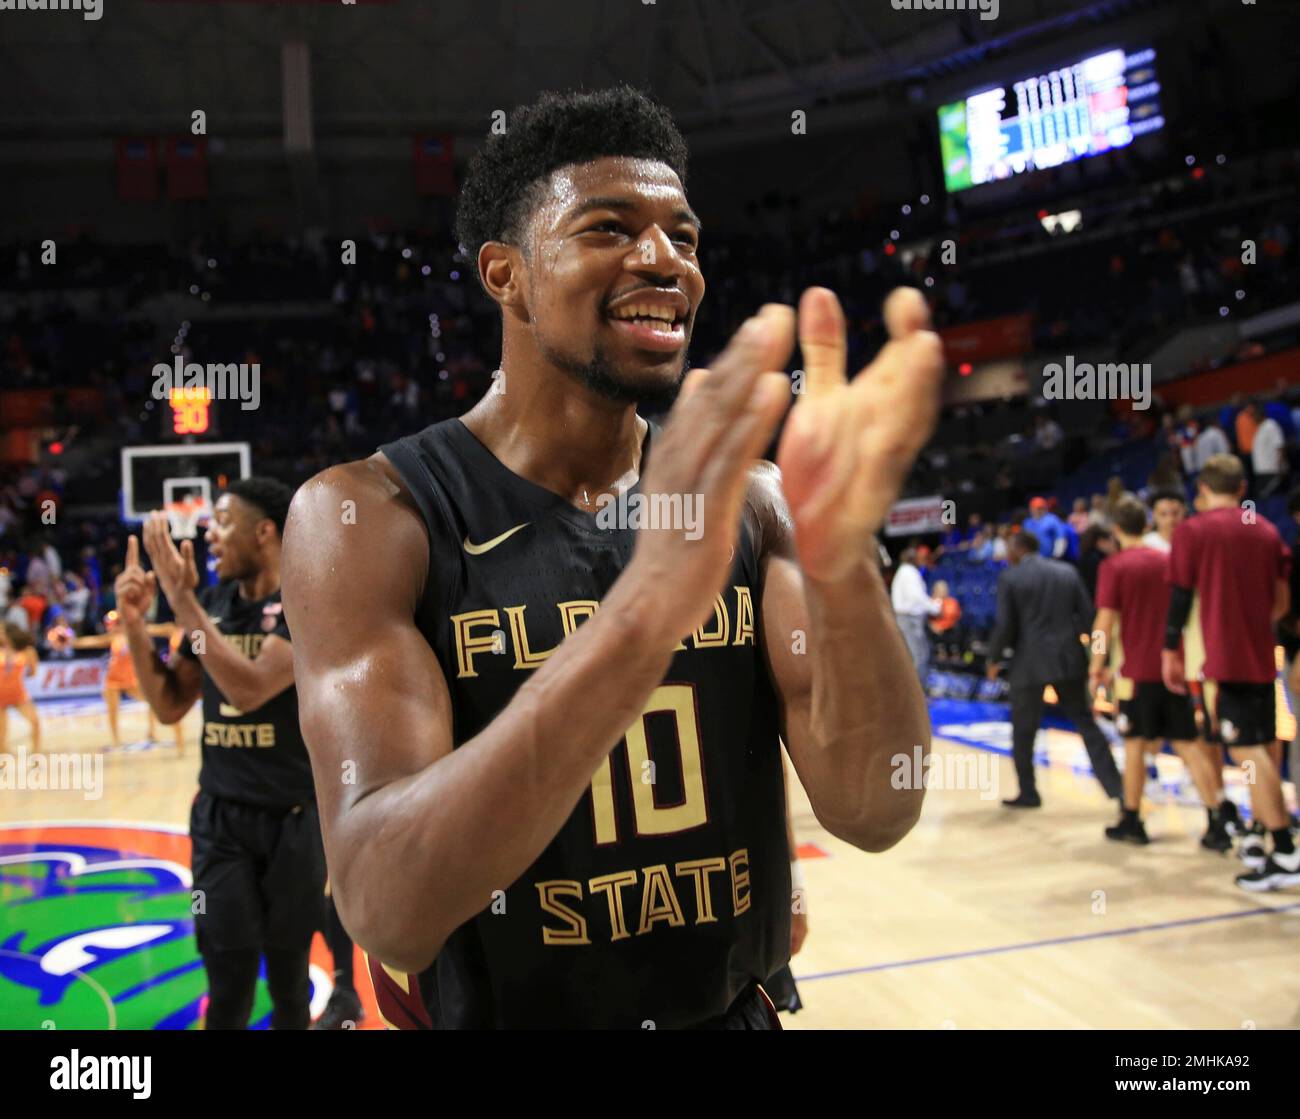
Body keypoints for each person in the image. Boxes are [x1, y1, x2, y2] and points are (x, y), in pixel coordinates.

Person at [281, 85, 943, 1030]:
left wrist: (847, 571)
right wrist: (648, 607)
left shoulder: (755, 502)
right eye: (609, 227)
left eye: (684, 234)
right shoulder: (365, 517)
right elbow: (388, 909)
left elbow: (880, 807)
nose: (665, 259)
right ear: (504, 274)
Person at [116, 477, 328, 1028]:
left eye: (224, 521)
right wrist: (137, 626)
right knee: (227, 978)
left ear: (265, 532)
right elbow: (168, 705)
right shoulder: (212, 605)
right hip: (221, 823)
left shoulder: (306, 601)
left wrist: (182, 602)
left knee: (289, 981)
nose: (209, 533)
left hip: (295, 821)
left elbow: (249, 689)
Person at [1162, 454, 1296, 891]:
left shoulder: (1194, 532)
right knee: (1263, 749)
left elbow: (1180, 599)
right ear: (1242, 489)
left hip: (1224, 659)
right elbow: (1281, 603)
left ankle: (1285, 847)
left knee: (1246, 753)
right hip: (1263, 656)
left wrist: (1170, 651)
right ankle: (1263, 834)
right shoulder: (1268, 530)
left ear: (1203, 488)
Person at [1089, 497, 1235, 848]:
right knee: (1187, 744)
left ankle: (1131, 818)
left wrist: (1095, 665)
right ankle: (1217, 818)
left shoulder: (1115, 566)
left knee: (1136, 745)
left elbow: (1103, 623)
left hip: (1135, 674)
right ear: (1148, 523)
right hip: (1175, 669)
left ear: (1116, 531)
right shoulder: (1168, 559)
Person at [987, 530, 1123, 808]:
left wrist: (994, 658)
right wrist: (1101, 659)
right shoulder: (1067, 572)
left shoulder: (1010, 577)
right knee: (1087, 724)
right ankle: (1118, 789)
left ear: (1017, 548)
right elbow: (1089, 619)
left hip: (1028, 663)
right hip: (1068, 659)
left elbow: (1006, 626)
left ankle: (1029, 792)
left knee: (1024, 732)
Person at [69, 611, 184, 750]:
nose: (113, 627)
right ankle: (116, 741)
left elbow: (155, 632)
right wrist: (73, 642)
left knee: (156, 702)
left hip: (130, 680)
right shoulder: (114, 638)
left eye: (115, 624)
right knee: (113, 710)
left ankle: (154, 734)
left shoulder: (135, 635)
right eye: (111, 624)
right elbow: (93, 641)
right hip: (112, 680)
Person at [892, 545, 942, 683]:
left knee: (915, 654)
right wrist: (934, 608)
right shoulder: (908, 573)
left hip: (906, 619)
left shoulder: (904, 571)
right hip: (910, 619)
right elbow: (917, 597)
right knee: (919, 656)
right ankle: (919, 693)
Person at [0, 622, 40, 752]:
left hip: (18, 694)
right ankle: (3, 762)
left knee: (35, 723)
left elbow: (33, 672)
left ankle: (36, 754)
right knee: (2, 733)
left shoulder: (28, 651)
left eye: (1, 631)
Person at [1249, 401, 1286, 501]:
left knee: (1275, 501)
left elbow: (1279, 447)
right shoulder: (1260, 428)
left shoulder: (1271, 425)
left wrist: (1280, 467)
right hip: (1261, 471)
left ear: (1260, 414)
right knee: (1266, 501)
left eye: (1253, 415)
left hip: (1271, 470)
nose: (1252, 418)